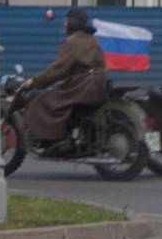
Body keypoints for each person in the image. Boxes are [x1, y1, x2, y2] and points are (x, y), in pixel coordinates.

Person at [20, 8, 109, 148]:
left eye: (66, 21)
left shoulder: (73, 42)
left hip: (82, 87)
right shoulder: (93, 40)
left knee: (42, 100)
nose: (63, 25)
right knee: (56, 96)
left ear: (72, 23)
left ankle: (52, 139)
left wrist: (34, 81)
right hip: (96, 86)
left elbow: (58, 70)